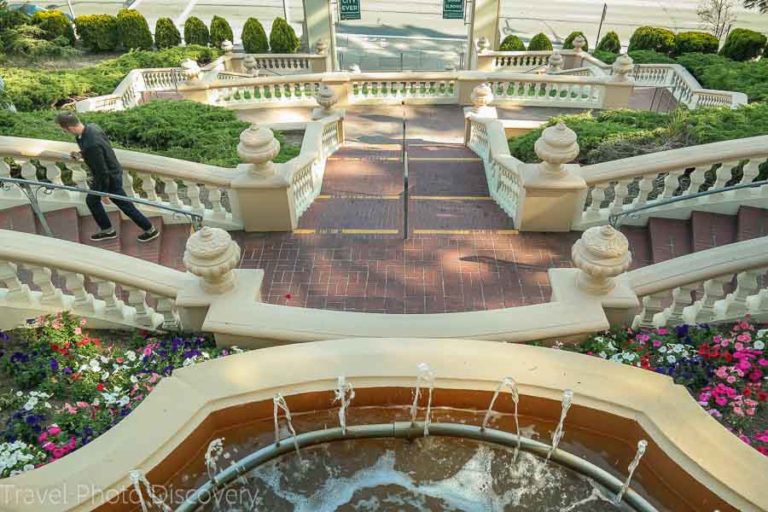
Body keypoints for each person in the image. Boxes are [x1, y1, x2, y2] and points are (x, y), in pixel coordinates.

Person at [55, 112, 159, 243]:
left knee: (120, 204)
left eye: (64, 130)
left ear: (69, 128)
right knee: (112, 203)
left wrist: (103, 193)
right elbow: (101, 150)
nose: (65, 132)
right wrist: (82, 154)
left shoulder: (91, 144)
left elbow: (102, 171)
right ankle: (113, 229)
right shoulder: (93, 128)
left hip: (108, 177)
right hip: (111, 173)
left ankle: (145, 229)